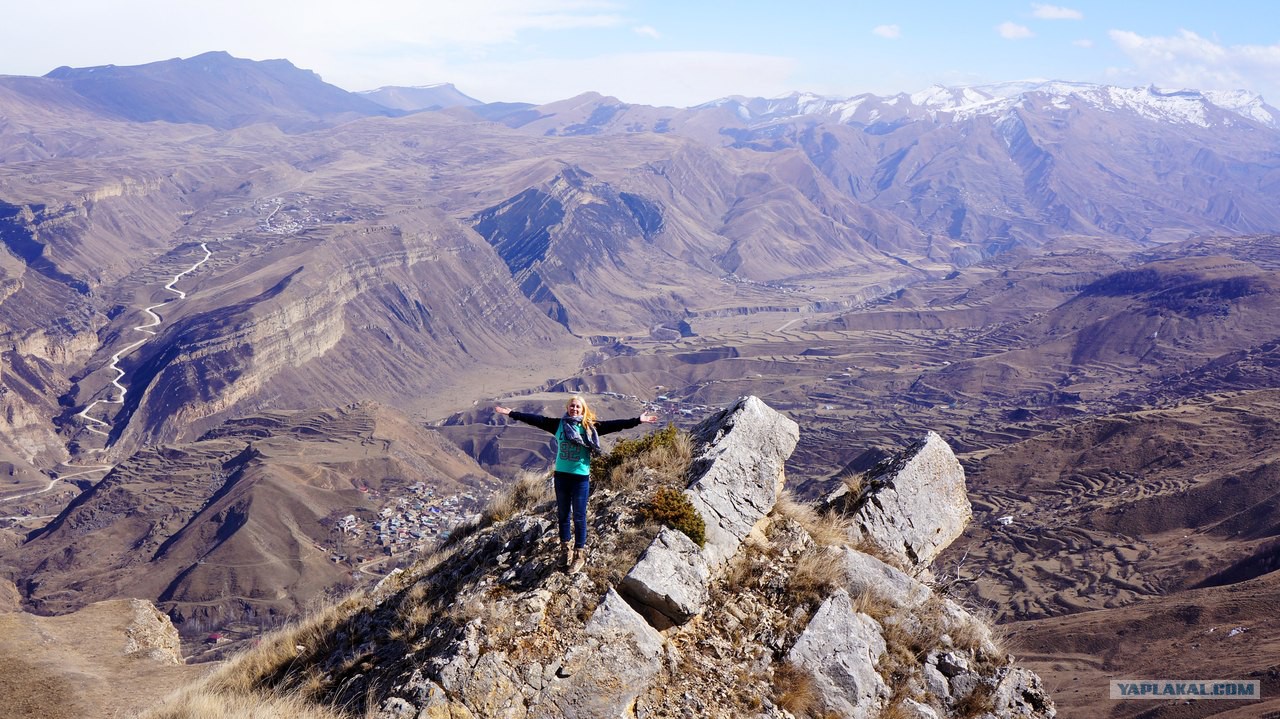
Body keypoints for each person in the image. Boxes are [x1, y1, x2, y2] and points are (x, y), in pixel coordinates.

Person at [495, 395, 659, 573]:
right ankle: (565, 551)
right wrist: (511, 413)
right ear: (568, 408)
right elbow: (535, 420)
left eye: (578, 407)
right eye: (572, 406)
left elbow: (615, 424)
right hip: (561, 477)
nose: (574, 409)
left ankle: (579, 555)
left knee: (579, 516)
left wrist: (638, 420)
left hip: (580, 479)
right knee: (563, 515)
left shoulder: (590, 427)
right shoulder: (558, 425)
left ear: (583, 409)